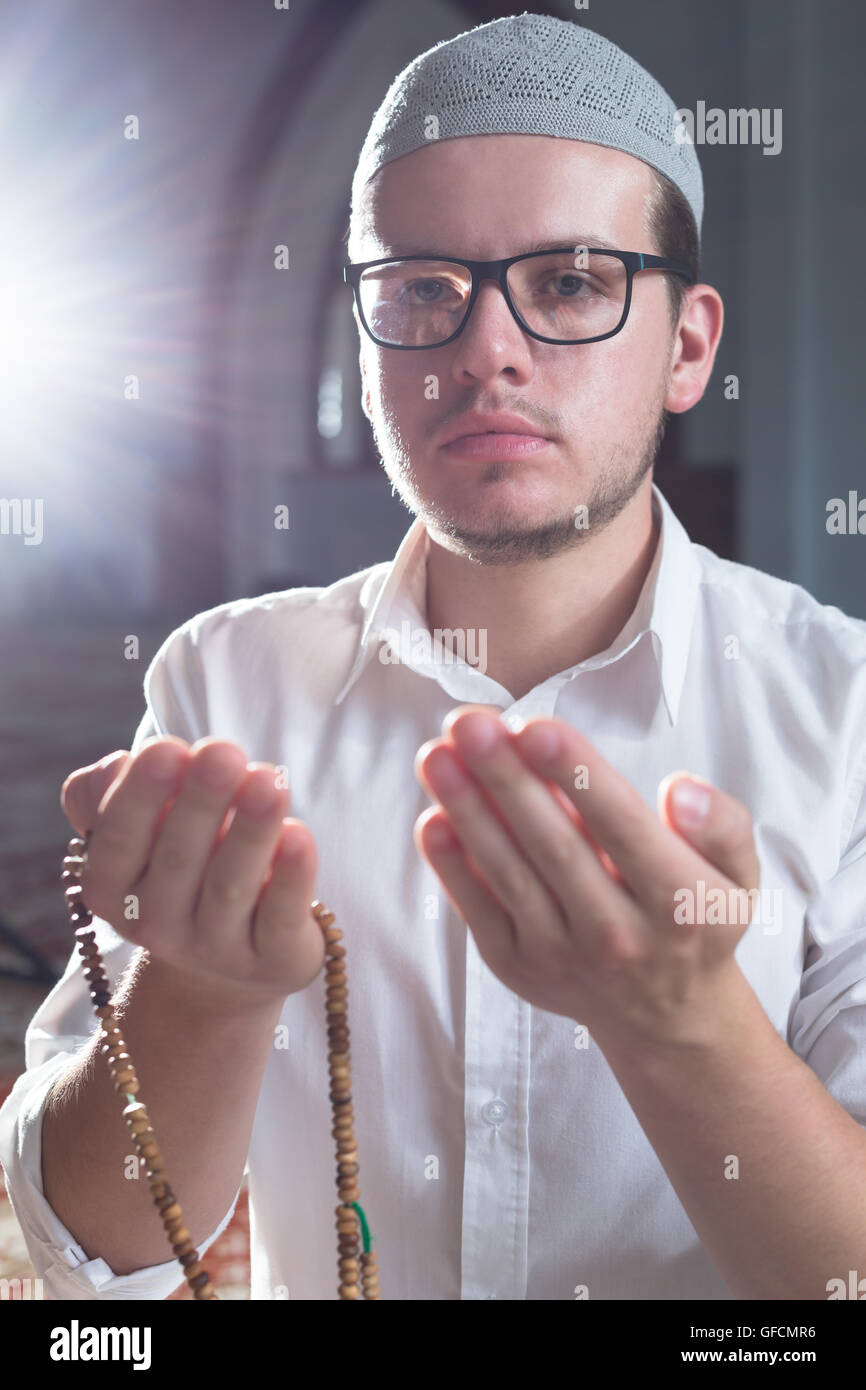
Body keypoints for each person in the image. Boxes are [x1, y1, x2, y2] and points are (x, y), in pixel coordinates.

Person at [2, 12, 866, 1302]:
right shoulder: (229, 685)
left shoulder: (842, 709)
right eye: (422, 292)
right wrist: (206, 999)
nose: (488, 350)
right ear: (365, 350)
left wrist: (683, 1030)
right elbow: (94, 1272)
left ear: (687, 347)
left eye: (571, 282)